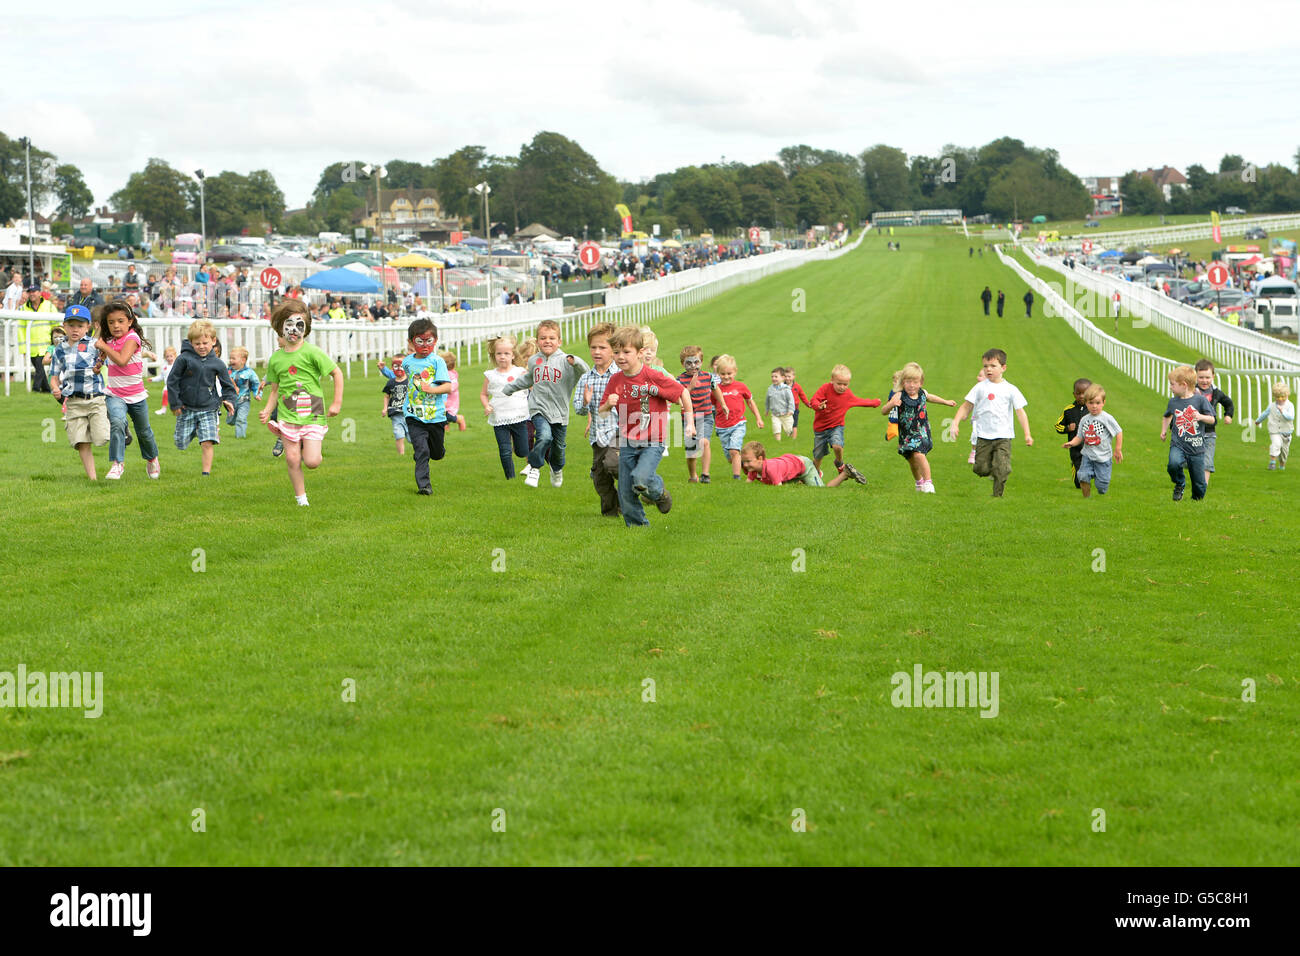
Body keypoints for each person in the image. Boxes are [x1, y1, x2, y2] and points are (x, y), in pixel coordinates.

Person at [596, 326, 694, 526]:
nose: (620, 357)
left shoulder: (653, 376)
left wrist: (690, 421)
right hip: (627, 441)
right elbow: (602, 412)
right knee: (625, 489)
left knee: (640, 478)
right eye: (616, 352)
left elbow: (682, 391)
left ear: (640, 353)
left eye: (626, 352)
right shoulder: (615, 380)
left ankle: (659, 493)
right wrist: (608, 403)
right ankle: (638, 526)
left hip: (652, 440)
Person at [260, 299, 343, 505]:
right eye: (288, 325)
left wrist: (336, 403)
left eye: (299, 325)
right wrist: (267, 409)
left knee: (312, 462)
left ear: (306, 329)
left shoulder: (312, 352)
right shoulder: (276, 359)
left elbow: (336, 373)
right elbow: (275, 390)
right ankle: (301, 499)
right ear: (280, 328)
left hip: (313, 414)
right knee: (292, 459)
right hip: (288, 416)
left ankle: (309, 444)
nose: (294, 330)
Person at [501, 319, 589, 488]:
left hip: (560, 412)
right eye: (543, 338)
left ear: (559, 341)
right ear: (538, 341)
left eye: (551, 338)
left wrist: (576, 361)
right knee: (544, 436)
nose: (547, 341)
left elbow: (585, 372)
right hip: (538, 408)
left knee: (559, 449)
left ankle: (556, 469)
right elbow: (528, 379)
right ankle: (534, 468)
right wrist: (509, 389)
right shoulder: (534, 360)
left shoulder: (566, 361)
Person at [946, 348, 1033, 497]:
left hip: (1003, 436)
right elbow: (966, 406)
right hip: (983, 436)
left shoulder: (1010, 389)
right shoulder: (979, 387)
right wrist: (955, 423)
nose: (988, 370)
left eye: (993, 366)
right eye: (986, 366)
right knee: (980, 469)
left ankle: (997, 495)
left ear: (1003, 368)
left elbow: (1020, 413)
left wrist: (1027, 434)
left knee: (1002, 469)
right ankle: (995, 467)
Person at [95, 300, 161, 480]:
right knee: (116, 423)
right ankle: (117, 464)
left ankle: (152, 458)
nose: (116, 326)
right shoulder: (108, 341)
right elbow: (102, 358)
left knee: (144, 431)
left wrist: (104, 347)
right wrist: (98, 363)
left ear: (130, 321)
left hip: (136, 395)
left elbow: (122, 360)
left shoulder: (132, 338)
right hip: (115, 394)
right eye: (111, 322)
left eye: (120, 321)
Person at [168, 320, 236, 476]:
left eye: (205, 343)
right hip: (186, 408)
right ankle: (193, 430)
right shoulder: (183, 359)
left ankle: (206, 474)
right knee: (181, 443)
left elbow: (228, 386)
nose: (201, 346)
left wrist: (229, 401)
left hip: (209, 408)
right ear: (191, 343)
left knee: (207, 442)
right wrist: (175, 403)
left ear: (213, 341)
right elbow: (172, 381)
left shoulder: (217, 363)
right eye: (197, 343)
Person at [49, 304, 110, 480]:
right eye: (71, 325)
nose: (75, 330)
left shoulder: (94, 344)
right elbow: (54, 375)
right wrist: (55, 387)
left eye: (80, 326)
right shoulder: (60, 349)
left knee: (101, 438)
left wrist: (100, 364)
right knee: (81, 441)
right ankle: (93, 479)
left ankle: (120, 427)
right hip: (74, 402)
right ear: (65, 326)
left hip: (95, 399)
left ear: (88, 327)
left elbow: (104, 361)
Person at [879, 362, 957, 493]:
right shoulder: (899, 395)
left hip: (921, 431)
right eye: (908, 382)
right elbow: (883, 411)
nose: (912, 385)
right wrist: (892, 404)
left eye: (915, 382)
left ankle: (928, 483)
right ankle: (919, 483)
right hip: (906, 433)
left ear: (920, 382)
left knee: (919, 455)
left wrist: (946, 402)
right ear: (903, 382)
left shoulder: (922, 393)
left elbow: (931, 397)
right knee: (912, 461)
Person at [397, 317, 454, 495]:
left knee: (436, 453)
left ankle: (433, 451)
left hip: (435, 415)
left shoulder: (437, 362)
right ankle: (424, 485)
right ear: (411, 342)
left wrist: (431, 389)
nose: (424, 345)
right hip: (413, 414)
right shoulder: (407, 362)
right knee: (421, 449)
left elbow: (448, 386)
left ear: (435, 341)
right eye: (419, 341)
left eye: (428, 341)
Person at [573, 322, 621, 515]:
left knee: (613, 463)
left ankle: (636, 483)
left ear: (614, 350)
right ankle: (612, 511)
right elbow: (579, 410)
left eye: (603, 347)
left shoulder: (620, 375)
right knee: (600, 479)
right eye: (593, 347)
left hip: (619, 431)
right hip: (597, 437)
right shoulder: (586, 378)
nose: (597, 351)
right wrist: (586, 402)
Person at [808, 363, 880, 478]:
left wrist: (874, 403)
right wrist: (818, 406)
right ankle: (815, 473)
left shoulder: (847, 395)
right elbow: (814, 400)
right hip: (820, 428)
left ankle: (839, 462)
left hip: (836, 426)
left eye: (845, 384)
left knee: (837, 446)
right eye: (839, 384)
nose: (842, 387)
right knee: (818, 454)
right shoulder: (825, 388)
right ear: (832, 380)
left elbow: (859, 401)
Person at [1159, 365, 1215, 500]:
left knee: (1200, 484)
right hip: (1178, 444)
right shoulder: (1173, 402)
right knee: (1173, 464)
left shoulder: (1200, 400)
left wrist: (1200, 417)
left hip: (1196, 447)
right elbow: (1167, 416)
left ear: (1183, 385)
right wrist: (1164, 430)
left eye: (1172, 384)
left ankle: (1197, 499)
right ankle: (1179, 483)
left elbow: (1212, 419)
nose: (1170, 387)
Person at [480, 335, 531, 479]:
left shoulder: (520, 372)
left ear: (513, 355)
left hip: (519, 416)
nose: (502, 357)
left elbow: (532, 388)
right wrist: (486, 405)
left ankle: (522, 452)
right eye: (499, 353)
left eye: (506, 353)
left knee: (522, 451)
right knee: (504, 450)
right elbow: (483, 394)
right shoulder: (490, 375)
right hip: (499, 418)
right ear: (494, 355)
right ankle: (510, 478)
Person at [1062, 383, 1122, 498]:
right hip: (1087, 456)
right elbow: (1080, 436)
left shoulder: (1107, 418)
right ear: (1086, 403)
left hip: (1103, 457)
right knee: (1082, 476)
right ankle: (1086, 498)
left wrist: (1118, 449)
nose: (1094, 406)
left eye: (1097, 403)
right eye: (1091, 403)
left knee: (1101, 486)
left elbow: (1118, 431)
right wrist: (1071, 443)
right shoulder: (1085, 419)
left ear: (1103, 403)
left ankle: (1101, 485)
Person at [677, 346, 725, 483]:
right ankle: (693, 475)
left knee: (704, 442)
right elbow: (678, 398)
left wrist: (723, 405)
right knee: (691, 451)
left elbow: (716, 390)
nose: (693, 366)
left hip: (706, 416)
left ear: (701, 362)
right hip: (688, 419)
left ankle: (705, 474)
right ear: (683, 364)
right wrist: (690, 388)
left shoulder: (708, 377)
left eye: (696, 362)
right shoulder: (679, 380)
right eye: (689, 363)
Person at [713, 355, 765, 479]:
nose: (726, 377)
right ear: (718, 373)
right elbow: (709, 406)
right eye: (723, 374)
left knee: (734, 451)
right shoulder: (715, 389)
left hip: (738, 424)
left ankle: (736, 478)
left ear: (735, 371)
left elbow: (750, 402)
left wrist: (758, 417)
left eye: (729, 373)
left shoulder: (740, 386)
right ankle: (750, 467)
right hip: (722, 427)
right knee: (731, 457)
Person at [741, 441, 865, 487]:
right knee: (790, 484)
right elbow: (747, 486)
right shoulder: (753, 470)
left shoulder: (771, 469)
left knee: (821, 491)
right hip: (791, 465)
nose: (745, 465)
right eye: (744, 462)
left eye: (748, 461)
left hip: (803, 466)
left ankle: (845, 473)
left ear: (760, 458)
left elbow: (777, 489)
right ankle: (804, 479)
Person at [1193, 359, 1234, 488]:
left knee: (1207, 459)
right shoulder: (1191, 392)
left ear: (1213, 377)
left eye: (1207, 377)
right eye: (1201, 378)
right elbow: (1179, 407)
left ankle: (1203, 486)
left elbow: (1229, 403)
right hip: (1192, 432)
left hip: (1210, 432)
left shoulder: (1217, 393)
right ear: (1196, 376)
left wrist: (1228, 415)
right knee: (1192, 460)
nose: (1204, 381)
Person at [18, 283, 57, 392]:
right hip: (32, 347)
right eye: (29, 292)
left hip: (46, 345)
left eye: (34, 291)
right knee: (40, 369)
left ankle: (35, 388)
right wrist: (23, 348)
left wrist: (56, 342)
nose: (31, 294)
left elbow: (56, 325)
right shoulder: (23, 309)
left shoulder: (49, 306)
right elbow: (20, 329)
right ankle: (46, 389)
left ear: (39, 293)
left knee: (40, 368)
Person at [1054, 378, 1092, 489]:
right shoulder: (1068, 410)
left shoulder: (1093, 410)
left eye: (1084, 393)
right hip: (1075, 448)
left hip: (1091, 446)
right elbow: (1057, 426)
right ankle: (1078, 476)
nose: (1081, 396)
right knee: (1078, 482)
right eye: (1078, 393)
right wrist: (1067, 429)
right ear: (1074, 394)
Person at [1255, 382, 1294, 470]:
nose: (1280, 400)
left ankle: (1282, 465)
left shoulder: (1290, 406)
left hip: (1286, 432)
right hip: (1275, 430)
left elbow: (1291, 417)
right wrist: (1258, 420)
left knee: (1284, 452)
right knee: (1276, 444)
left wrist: (1283, 411)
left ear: (1287, 395)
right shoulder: (1272, 405)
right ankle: (1272, 462)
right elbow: (1265, 413)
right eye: (1278, 397)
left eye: (1283, 397)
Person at [226, 347, 262, 439]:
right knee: (230, 421)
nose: (231, 361)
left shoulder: (249, 373)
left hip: (244, 400)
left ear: (243, 360)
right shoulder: (228, 372)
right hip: (231, 401)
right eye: (230, 358)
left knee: (241, 419)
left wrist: (257, 394)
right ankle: (233, 420)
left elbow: (256, 384)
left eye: (233, 358)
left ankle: (240, 437)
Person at [382, 354, 410, 455]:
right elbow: (386, 396)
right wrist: (385, 408)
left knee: (412, 437)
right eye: (396, 366)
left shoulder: (410, 381)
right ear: (392, 368)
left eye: (401, 365)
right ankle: (401, 454)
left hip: (409, 413)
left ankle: (420, 451)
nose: (399, 368)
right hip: (395, 414)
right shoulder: (391, 382)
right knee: (399, 435)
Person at [439, 350, 468, 432]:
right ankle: (446, 432)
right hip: (444, 402)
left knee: (447, 417)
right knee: (442, 420)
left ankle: (460, 420)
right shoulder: (445, 373)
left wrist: (442, 387)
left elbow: (452, 387)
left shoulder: (450, 375)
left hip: (450, 403)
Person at [765, 367, 795, 442]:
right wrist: (767, 410)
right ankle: (778, 442)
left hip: (786, 414)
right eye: (772, 377)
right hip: (775, 414)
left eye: (776, 377)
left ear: (782, 378)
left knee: (788, 429)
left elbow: (791, 400)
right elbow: (767, 400)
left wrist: (791, 410)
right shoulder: (770, 389)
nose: (774, 378)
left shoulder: (786, 389)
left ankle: (791, 439)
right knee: (776, 429)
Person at [784, 367, 810, 440]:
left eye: (789, 376)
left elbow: (802, 395)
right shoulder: (781, 386)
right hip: (785, 409)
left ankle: (794, 439)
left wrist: (807, 403)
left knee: (794, 424)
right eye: (785, 376)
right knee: (786, 423)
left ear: (793, 376)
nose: (787, 378)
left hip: (795, 408)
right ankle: (788, 434)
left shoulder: (797, 386)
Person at [154, 346, 178, 415]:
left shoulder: (177, 365)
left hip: (176, 385)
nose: (169, 358)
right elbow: (161, 377)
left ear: (175, 356)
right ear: (165, 357)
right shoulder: (164, 367)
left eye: (171, 356)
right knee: (165, 394)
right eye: (167, 356)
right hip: (168, 385)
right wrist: (152, 379)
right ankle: (163, 409)